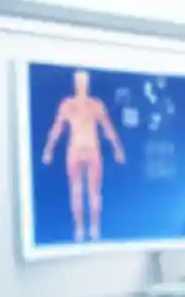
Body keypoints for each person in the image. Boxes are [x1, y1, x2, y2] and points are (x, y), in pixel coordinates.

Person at [41, 69, 125, 241]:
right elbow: (57, 129)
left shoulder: (90, 105)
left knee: (86, 191)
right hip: (83, 148)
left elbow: (107, 128)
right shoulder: (75, 105)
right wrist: (48, 150)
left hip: (84, 148)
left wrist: (117, 148)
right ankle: (84, 229)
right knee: (82, 191)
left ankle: (90, 229)